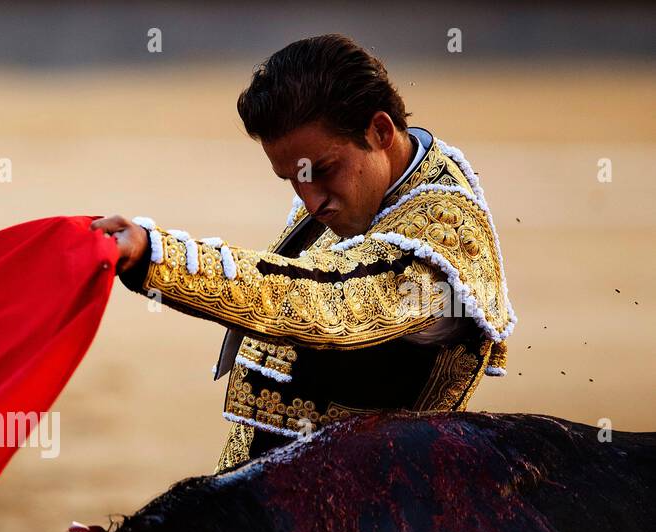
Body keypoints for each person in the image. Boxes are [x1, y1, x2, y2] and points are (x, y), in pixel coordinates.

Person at [92, 34, 516, 471]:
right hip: (291, 494)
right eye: (294, 180)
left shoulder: (443, 237)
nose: (312, 203)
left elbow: (325, 302)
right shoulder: (375, 185)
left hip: (374, 516)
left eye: (324, 171)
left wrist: (156, 256)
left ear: (381, 131)